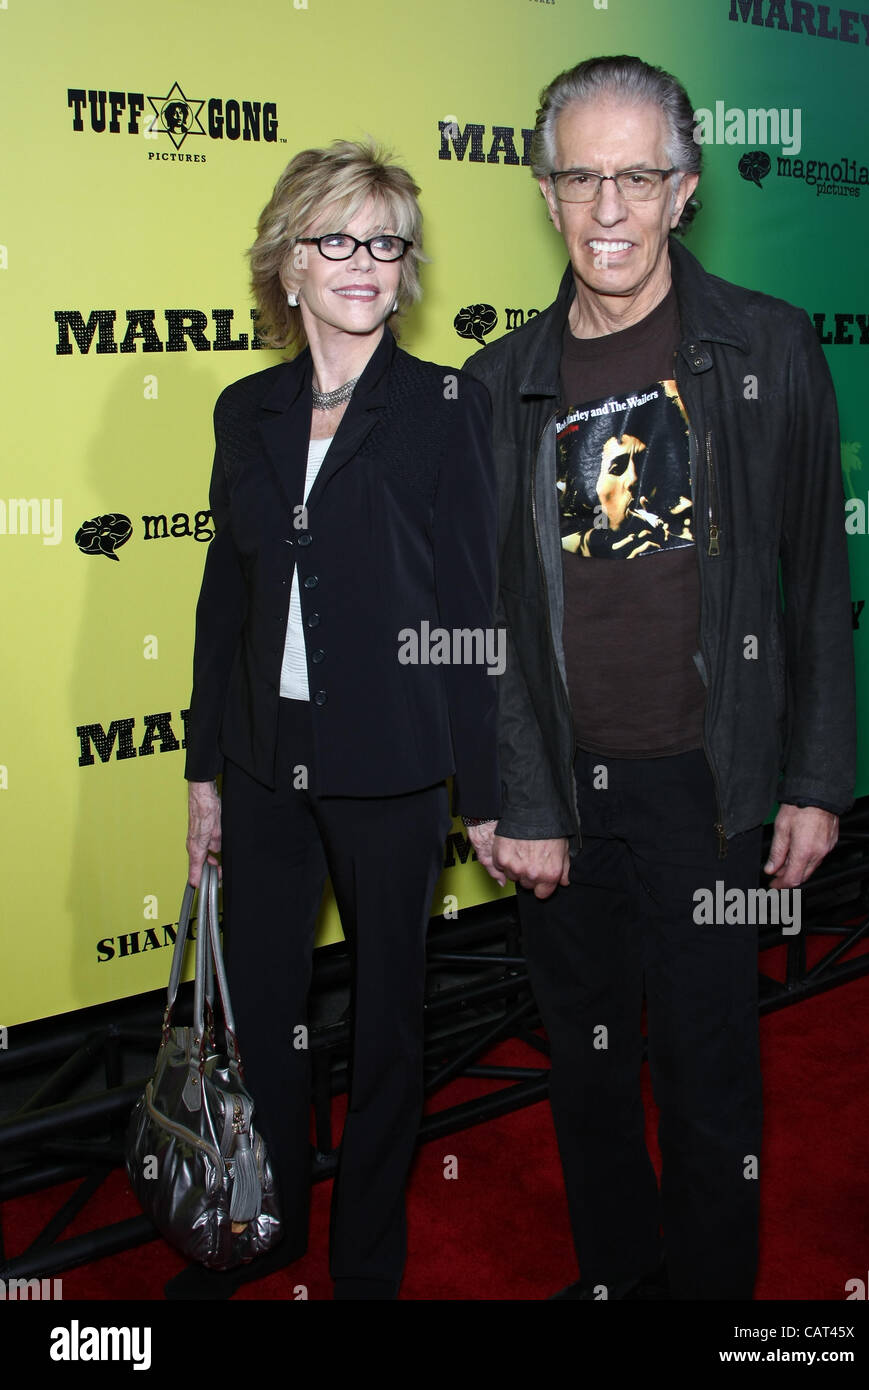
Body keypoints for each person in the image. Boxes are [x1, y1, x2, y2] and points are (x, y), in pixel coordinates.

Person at [462, 56, 855, 1301]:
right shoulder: (495, 384)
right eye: (582, 176)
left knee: (710, 1075)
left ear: (685, 190)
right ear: (543, 192)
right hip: (564, 804)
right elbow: (484, 622)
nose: (611, 207)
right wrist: (510, 793)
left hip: (711, 790)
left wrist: (812, 777)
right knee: (583, 1078)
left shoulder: (771, 348)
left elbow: (812, 580)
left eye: (638, 175)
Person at [175, 140, 499, 1300]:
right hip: (265, 766)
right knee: (265, 1018)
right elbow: (228, 594)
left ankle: (366, 1260)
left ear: (405, 268)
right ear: (289, 262)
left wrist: (492, 787)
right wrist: (204, 769)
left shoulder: (444, 404)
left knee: (385, 1032)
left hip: (396, 768)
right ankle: (266, 1228)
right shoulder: (243, 409)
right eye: (337, 239)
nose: (363, 263)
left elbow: (472, 600)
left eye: (385, 242)